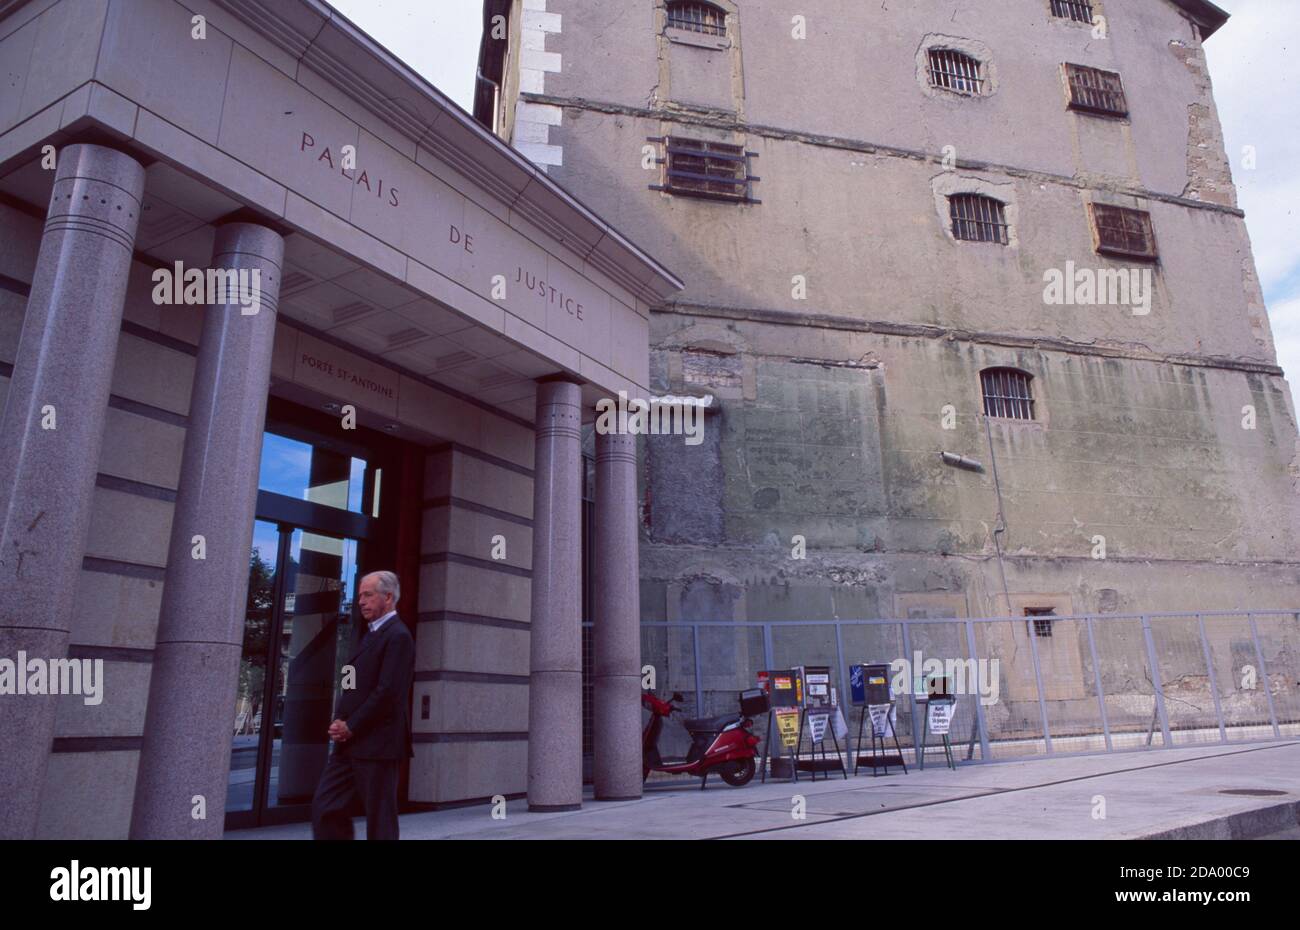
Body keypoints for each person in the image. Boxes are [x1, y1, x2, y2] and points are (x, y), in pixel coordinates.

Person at [311, 570, 414, 840]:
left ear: (388, 597)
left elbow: (388, 693)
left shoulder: (398, 636)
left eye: (368, 595)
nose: (361, 601)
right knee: (325, 807)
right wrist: (339, 718)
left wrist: (351, 725)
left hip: (378, 744)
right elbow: (350, 681)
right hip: (349, 742)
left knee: (380, 821)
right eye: (359, 596)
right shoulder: (367, 635)